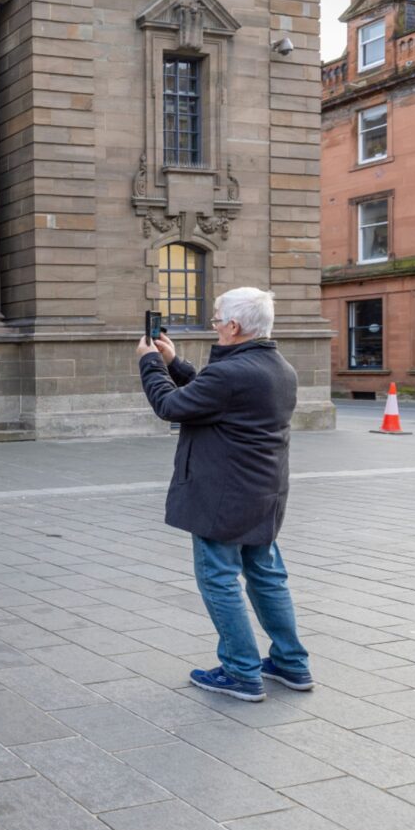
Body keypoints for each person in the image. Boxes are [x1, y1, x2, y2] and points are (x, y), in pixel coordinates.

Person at [137, 287, 312, 703]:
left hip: (222, 495)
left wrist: (148, 364)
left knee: (219, 579)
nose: (215, 325)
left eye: (217, 319)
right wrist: (174, 363)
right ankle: (291, 663)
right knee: (267, 576)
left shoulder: (232, 373)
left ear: (233, 327)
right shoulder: (278, 367)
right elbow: (212, 397)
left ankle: (240, 672)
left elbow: (171, 406)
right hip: (263, 492)